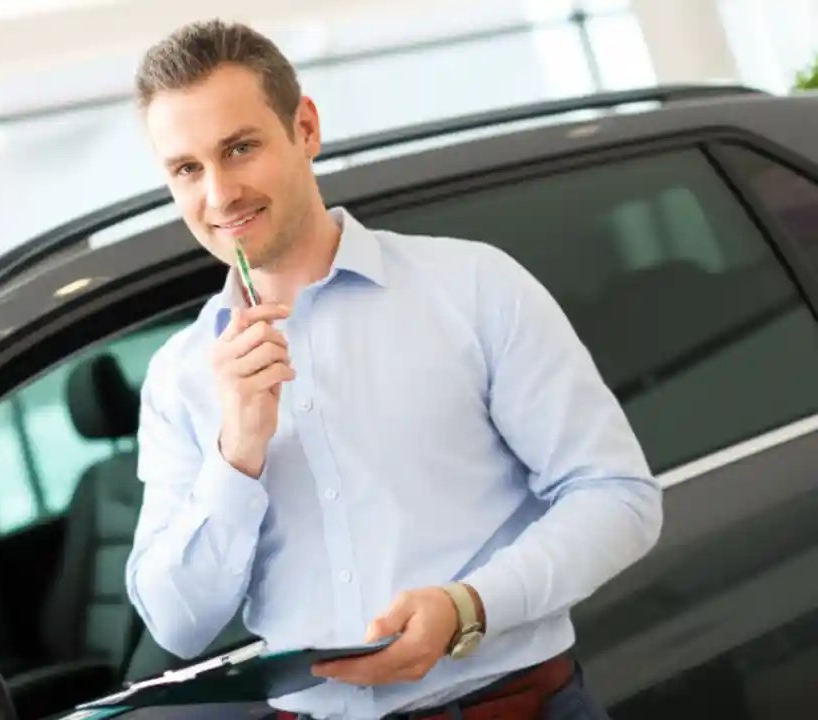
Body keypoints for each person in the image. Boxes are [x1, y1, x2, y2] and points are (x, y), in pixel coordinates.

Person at [122, 19, 662, 720]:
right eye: (187, 169)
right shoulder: (179, 378)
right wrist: (237, 453)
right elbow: (176, 623)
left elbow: (618, 496)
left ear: (306, 128)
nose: (220, 195)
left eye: (241, 148)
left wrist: (467, 608)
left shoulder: (474, 286)